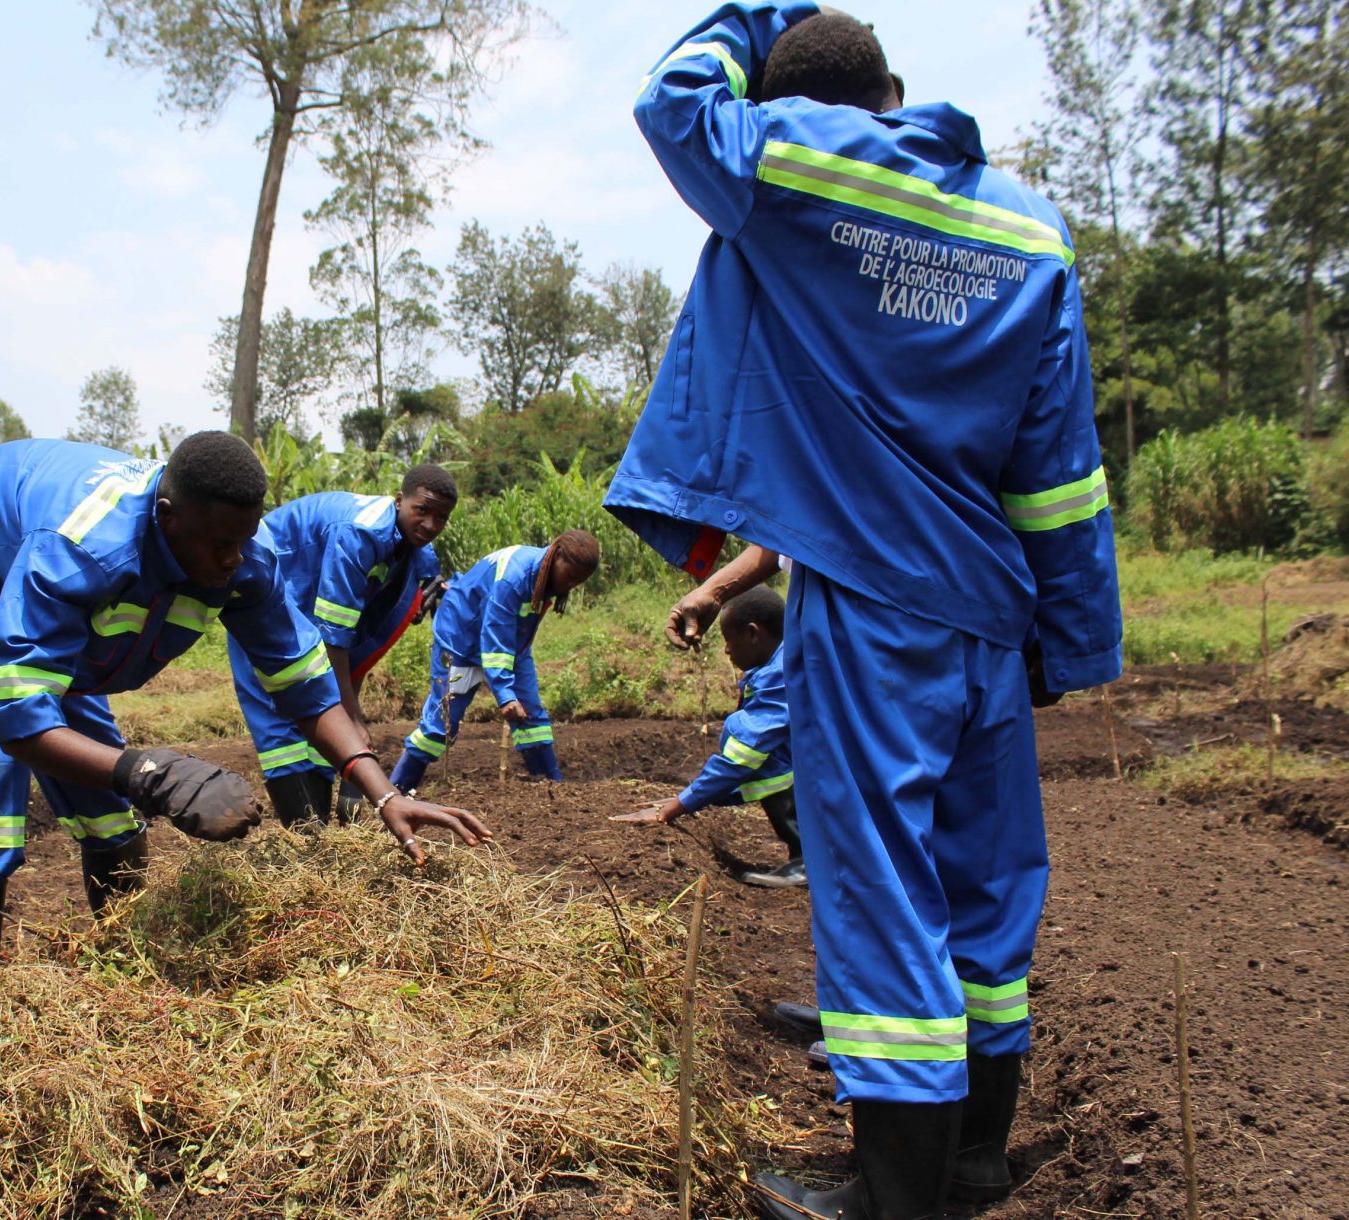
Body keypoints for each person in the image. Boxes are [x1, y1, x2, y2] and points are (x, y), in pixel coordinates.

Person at [606, 6, 1122, 1218]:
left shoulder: (794, 163)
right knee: (988, 880)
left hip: (873, 597)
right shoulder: (1027, 225)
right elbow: (1057, 472)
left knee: (881, 887)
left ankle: (893, 1193)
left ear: (808, 102)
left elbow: (673, 105)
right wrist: (1066, 636)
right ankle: (977, 1155)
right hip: (991, 607)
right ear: (891, 92)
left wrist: (758, 14)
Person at [0, 433, 493, 996]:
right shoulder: (86, 548)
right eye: (219, 546)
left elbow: (307, 688)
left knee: (100, 780)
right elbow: (19, 719)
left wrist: (386, 793)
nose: (233, 559)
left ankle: (121, 962)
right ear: (166, 517)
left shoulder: (244, 558)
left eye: (243, 542)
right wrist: (151, 774)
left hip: (47, 577)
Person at [228, 466, 458, 827]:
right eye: (422, 510)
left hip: (304, 604)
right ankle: (308, 840)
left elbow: (354, 640)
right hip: (264, 594)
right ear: (399, 501)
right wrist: (351, 716)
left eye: (441, 518)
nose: (430, 524)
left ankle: (321, 840)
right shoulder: (359, 533)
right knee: (280, 719)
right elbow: (335, 637)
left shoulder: (409, 548)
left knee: (323, 724)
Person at [611, 585, 804, 889]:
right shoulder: (782, 662)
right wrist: (694, 796)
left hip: (828, 775)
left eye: (729, 641)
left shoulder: (779, 675)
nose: (727, 651)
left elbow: (741, 760)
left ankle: (807, 858)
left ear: (753, 633)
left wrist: (678, 806)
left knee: (763, 757)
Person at [386, 532, 601, 793]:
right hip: (461, 642)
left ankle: (554, 788)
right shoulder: (515, 577)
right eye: (571, 576)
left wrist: (513, 692)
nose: (572, 585)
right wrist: (506, 696)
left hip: (511, 647)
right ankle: (394, 793)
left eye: (580, 580)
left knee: (532, 716)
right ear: (556, 556)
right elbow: (494, 636)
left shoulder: (545, 576)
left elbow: (503, 637)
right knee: (442, 725)